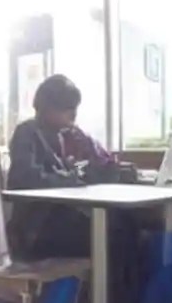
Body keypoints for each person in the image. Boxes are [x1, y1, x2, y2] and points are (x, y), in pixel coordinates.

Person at [7, 74, 129, 259]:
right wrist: (71, 179)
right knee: (115, 233)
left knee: (123, 223)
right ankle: (106, 287)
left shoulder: (61, 137)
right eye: (67, 108)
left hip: (57, 220)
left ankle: (110, 287)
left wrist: (92, 166)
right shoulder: (27, 132)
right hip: (37, 229)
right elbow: (25, 178)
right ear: (48, 107)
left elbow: (71, 174)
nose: (73, 115)